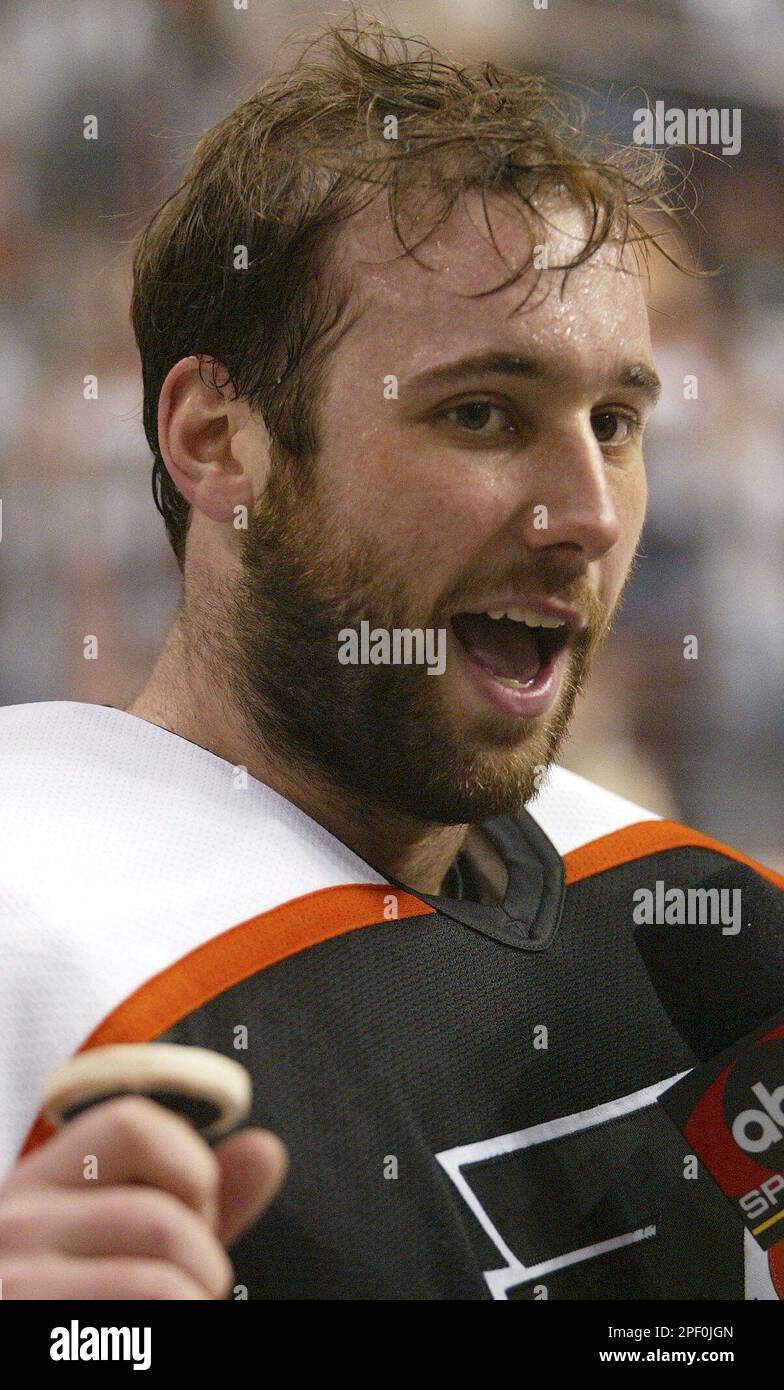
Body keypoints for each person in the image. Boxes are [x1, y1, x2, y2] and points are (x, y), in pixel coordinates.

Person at [1, 16, 781, 1300]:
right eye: (481, 412)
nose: (586, 511)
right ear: (218, 440)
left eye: (616, 421)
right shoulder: (31, 950)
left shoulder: (706, 936)